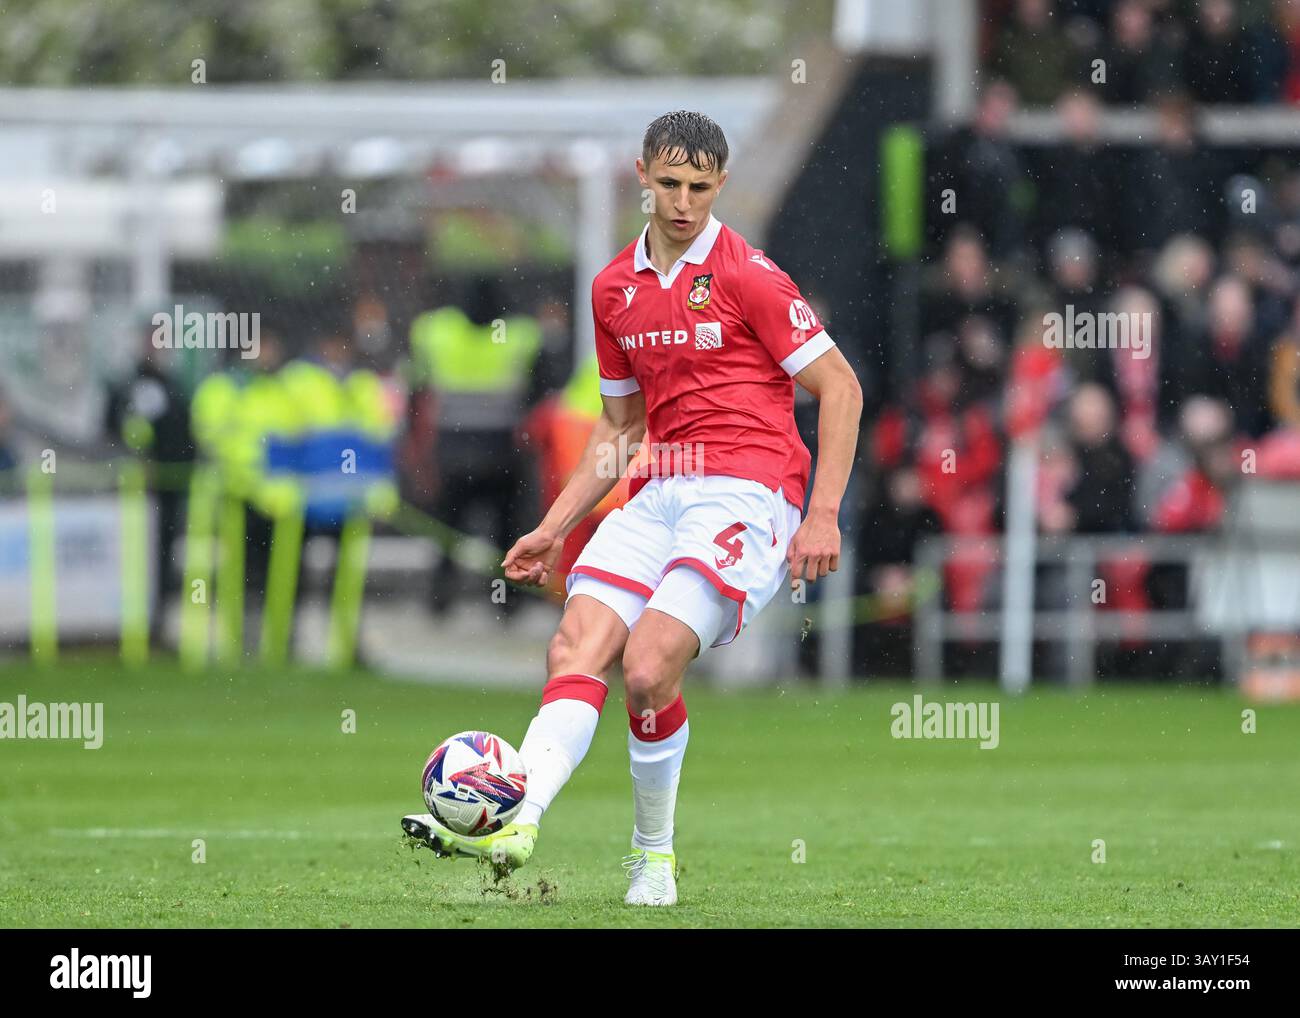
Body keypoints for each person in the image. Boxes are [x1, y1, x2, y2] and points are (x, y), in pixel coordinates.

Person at [402, 110, 863, 906]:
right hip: (657, 491)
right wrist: (554, 526)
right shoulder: (612, 288)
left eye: (700, 187)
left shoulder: (750, 275)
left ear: (719, 186)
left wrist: (823, 516)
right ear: (642, 173)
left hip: (748, 491)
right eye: (670, 183)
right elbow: (620, 427)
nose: (683, 202)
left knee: (648, 669)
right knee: (573, 648)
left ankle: (653, 855)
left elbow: (842, 388)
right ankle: (519, 819)